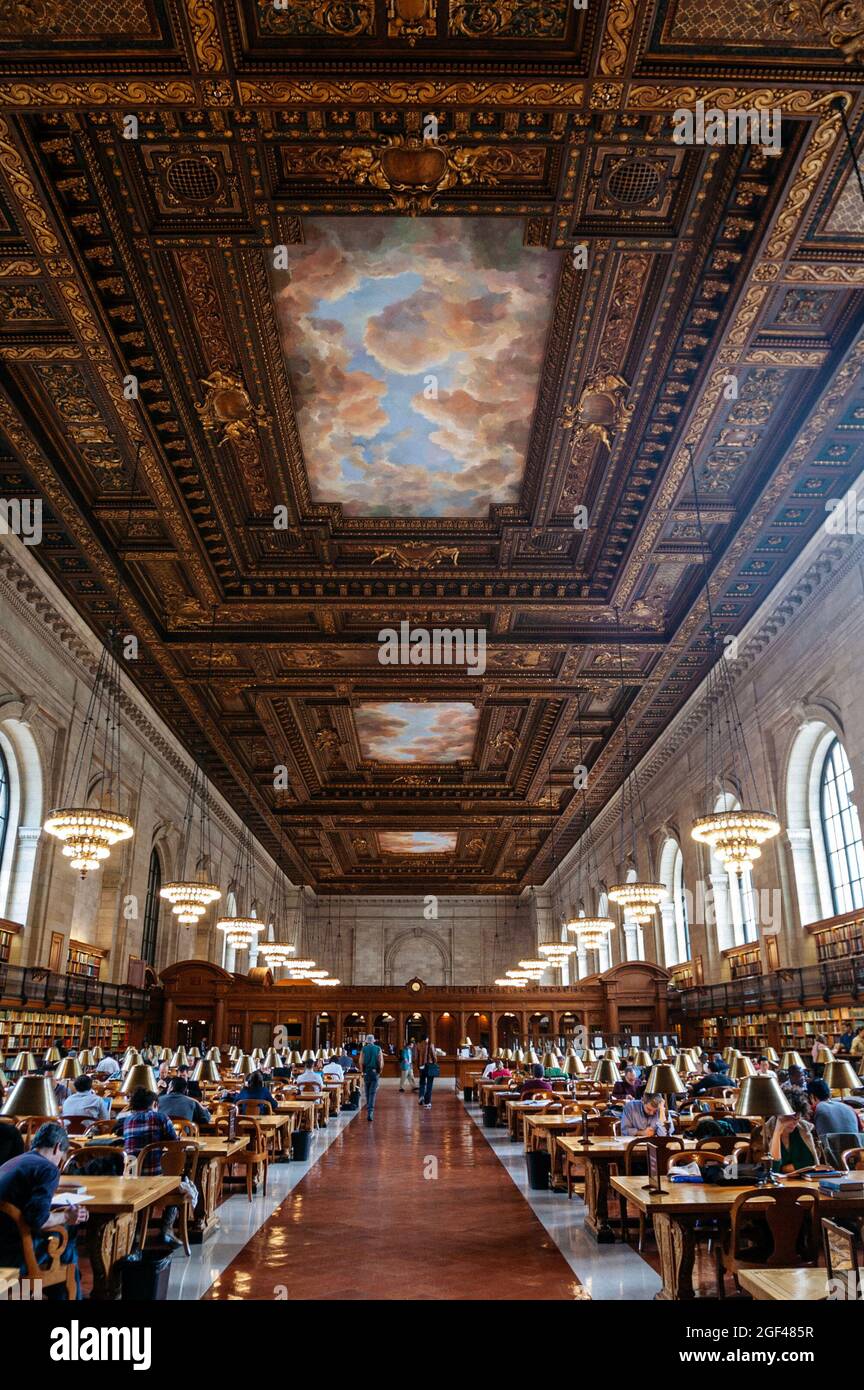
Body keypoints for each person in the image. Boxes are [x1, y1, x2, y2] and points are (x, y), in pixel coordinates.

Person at [0, 1121, 88, 1299]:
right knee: (66, 1245)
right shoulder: (47, 1169)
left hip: (2, 1248)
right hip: (15, 1256)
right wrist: (66, 1215)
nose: (59, 1164)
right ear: (57, 1148)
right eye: (61, 1158)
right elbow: (36, 1219)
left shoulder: (11, 1163)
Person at [765, 1092, 820, 1173]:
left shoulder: (803, 1130)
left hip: (803, 1181)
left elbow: (810, 1163)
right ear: (778, 1114)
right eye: (789, 1118)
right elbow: (772, 1169)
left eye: (797, 1118)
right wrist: (777, 1132)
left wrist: (785, 1168)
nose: (794, 1123)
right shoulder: (765, 1132)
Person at [808, 1077, 861, 1148]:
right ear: (829, 1094)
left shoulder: (814, 1109)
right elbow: (860, 1130)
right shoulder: (849, 1108)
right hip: (855, 1153)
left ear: (812, 1096)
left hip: (831, 1155)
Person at [360, 1033, 383, 1121]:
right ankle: (370, 1111)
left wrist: (362, 1071)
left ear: (366, 1041)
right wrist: (379, 1071)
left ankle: (369, 1108)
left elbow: (361, 1061)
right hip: (374, 1072)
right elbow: (380, 1061)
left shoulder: (364, 1048)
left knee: (367, 1091)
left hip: (366, 1072)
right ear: (373, 1041)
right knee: (372, 1092)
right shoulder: (378, 1048)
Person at [417, 1037, 439, 1110]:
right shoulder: (430, 1044)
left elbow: (416, 1057)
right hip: (429, 1066)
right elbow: (434, 1056)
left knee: (422, 1082)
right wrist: (435, 1062)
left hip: (421, 1067)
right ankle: (427, 1102)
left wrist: (419, 1066)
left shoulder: (419, 1045)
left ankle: (421, 1097)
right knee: (429, 1084)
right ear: (427, 1038)